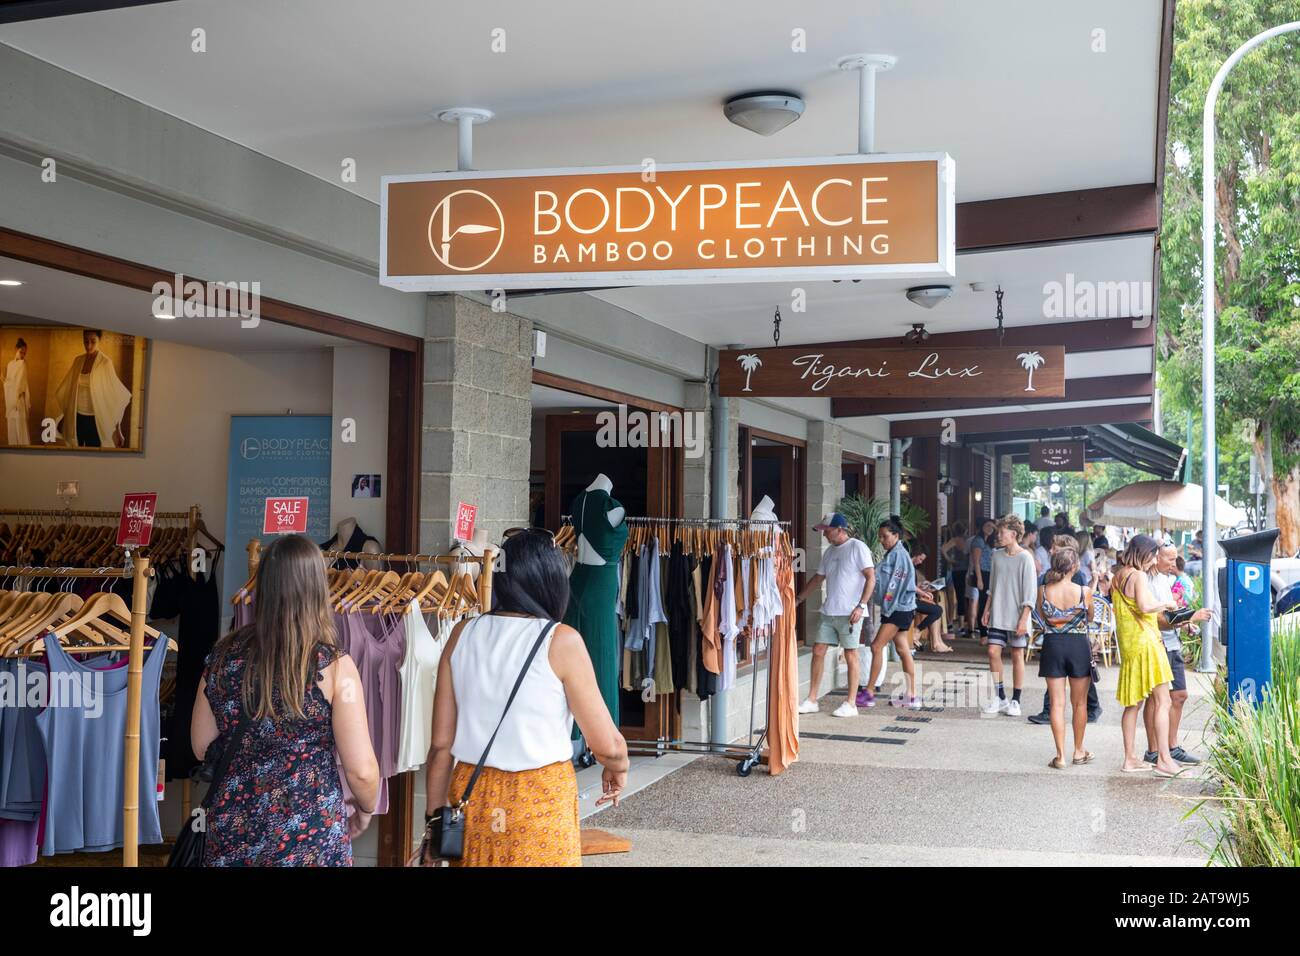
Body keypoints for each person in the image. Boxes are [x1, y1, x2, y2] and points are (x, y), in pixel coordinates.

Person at [422, 528, 627, 866]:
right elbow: (607, 745)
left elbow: (441, 746)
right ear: (552, 581)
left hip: (472, 796)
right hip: (538, 797)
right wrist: (619, 766)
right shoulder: (561, 641)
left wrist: (434, 823)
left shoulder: (462, 634)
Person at [191, 534, 380, 866]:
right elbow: (361, 771)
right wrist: (365, 809)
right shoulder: (332, 665)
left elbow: (201, 745)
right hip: (310, 837)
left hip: (235, 832)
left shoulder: (222, 655)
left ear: (262, 586)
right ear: (316, 590)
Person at [1110, 535, 1180, 776]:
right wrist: (1167, 604)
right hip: (1146, 643)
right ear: (1144, 553)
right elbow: (1145, 606)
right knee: (1164, 701)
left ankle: (1130, 758)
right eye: (1152, 556)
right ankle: (1164, 759)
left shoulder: (1118, 576)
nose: (1153, 561)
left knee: (1133, 705)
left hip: (1129, 646)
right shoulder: (1138, 575)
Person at [795, 513, 877, 717]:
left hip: (851, 612)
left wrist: (861, 606)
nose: (824, 535)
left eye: (827, 531)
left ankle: (851, 703)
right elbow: (817, 579)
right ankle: (812, 699)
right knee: (818, 649)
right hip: (829, 610)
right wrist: (797, 599)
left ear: (840, 529)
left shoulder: (858, 547)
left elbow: (871, 578)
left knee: (850, 653)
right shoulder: (829, 552)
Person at [1142, 545, 1213, 766]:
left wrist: (1183, 624)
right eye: (1169, 559)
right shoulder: (1145, 581)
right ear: (1155, 557)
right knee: (1155, 699)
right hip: (1158, 644)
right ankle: (1154, 750)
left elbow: (1170, 616)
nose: (1173, 564)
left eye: (1175, 559)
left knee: (1179, 695)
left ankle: (1172, 746)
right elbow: (1158, 619)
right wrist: (1192, 616)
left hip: (1172, 643)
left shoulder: (1165, 579)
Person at [1031, 547, 1096, 768]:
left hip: (1053, 646)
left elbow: (1040, 614)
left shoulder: (1043, 590)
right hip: (1078, 646)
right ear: (1075, 566)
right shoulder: (1084, 591)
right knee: (1079, 703)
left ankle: (1060, 756)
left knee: (1056, 705)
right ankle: (1078, 751)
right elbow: (1090, 616)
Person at [861, 516, 920, 709]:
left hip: (897, 610)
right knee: (903, 650)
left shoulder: (899, 555)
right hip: (900, 608)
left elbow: (895, 585)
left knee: (877, 646)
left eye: (884, 536)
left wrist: (887, 607)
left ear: (895, 535)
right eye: (880, 537)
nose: (881, 540)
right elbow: (906, 583)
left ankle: (869, 692)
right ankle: (911, 695)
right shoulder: (895, 553)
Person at [980, 514, 1037, 716]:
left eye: (1002, 532)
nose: (998, 535)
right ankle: (1000, 696)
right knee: (992, 652)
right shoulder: (996, 555)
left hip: (1018, 616)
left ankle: (1016, 700)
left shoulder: (1025, 558)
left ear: (1013, 534)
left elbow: (1030, 593)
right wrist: (986, 610)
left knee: (1016, 655)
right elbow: (992, 587)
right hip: (998, 613)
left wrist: (1023, 619)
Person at [48, 328, 132, 448]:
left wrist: (118, 430)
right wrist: (65, 416)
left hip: (95, 419)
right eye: (85, 341)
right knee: (76, 455)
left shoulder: (105, 363)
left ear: (99, 340)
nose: (89, 345)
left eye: (93, 341)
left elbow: (115, 397)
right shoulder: (78, 361)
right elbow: (70, 392)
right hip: (77, 418)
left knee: (94, 456)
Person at [941, 522, 969, 635]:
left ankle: (951, 623)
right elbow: (943, 549)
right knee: (961, 597)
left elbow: (943, 549)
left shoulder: (956, 540)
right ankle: (961, 625)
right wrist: (950, 560)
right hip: (964, 571)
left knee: (954, 597)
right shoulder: (963, 540)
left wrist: (949, 560)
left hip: (957, 570)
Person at [969, 518, 996, 638]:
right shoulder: (978, 541)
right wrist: (979, 579)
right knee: (983, 602)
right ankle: (983, 633)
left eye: (992, 526)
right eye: (988, 526)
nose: (990, 528)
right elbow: (976, 562)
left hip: (989, 573)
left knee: (987, 602)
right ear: (982, 527)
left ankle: (985, 630)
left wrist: (996, 527)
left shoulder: (988, 541)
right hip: (982, 574)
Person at [3, 337, 30, 445]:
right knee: (12, 429)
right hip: (10, 402)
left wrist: (7, 384)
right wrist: (4, 382)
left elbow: (19, 386)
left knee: (21, 430)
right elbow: (10, 383)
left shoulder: (23, 364)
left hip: (18, 402)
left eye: (24, 353)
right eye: (21, 352)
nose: (22, 355)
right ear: (16, 349)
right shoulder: (10, 365)